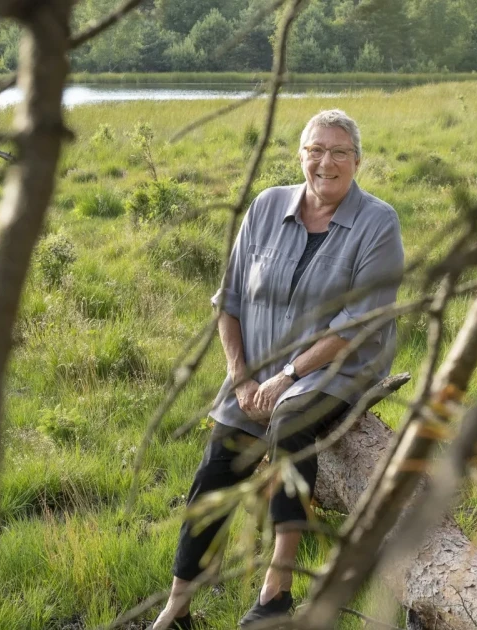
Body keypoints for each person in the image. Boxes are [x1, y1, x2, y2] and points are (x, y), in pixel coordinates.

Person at [150, 109, 405, 630]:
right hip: (258, 372)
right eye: (315, 150)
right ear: (301, 155)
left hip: (338, 369)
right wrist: (241, 376)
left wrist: (287, 376)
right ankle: (177, 607)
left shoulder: (379, 222)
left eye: (338, 152)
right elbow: (230, 300)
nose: (325, 162)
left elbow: (358, 325)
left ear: (357, 161)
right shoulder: (267, 206)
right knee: (216, 469)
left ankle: (276, 590)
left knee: (290, 420)